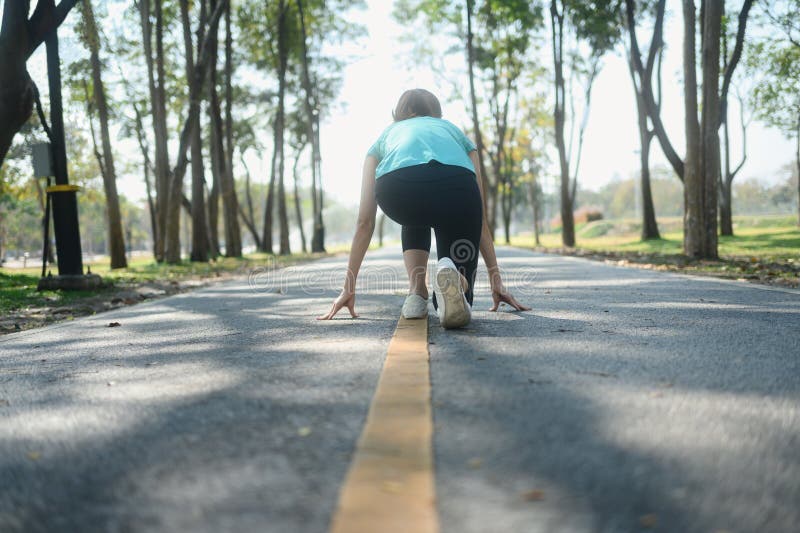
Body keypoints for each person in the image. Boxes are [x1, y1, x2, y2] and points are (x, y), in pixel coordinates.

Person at [318, 88, 530, 327]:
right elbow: (479, 218)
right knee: (459, 300)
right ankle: (456, 279)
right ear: (435, 113)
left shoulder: (386, 135)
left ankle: (417, 293)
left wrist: (348, 288)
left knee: (416, 211)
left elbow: (364, 223)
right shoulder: (454, 132)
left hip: (401, 192)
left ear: (404, 112)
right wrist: (496, 280)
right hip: (458, 191)